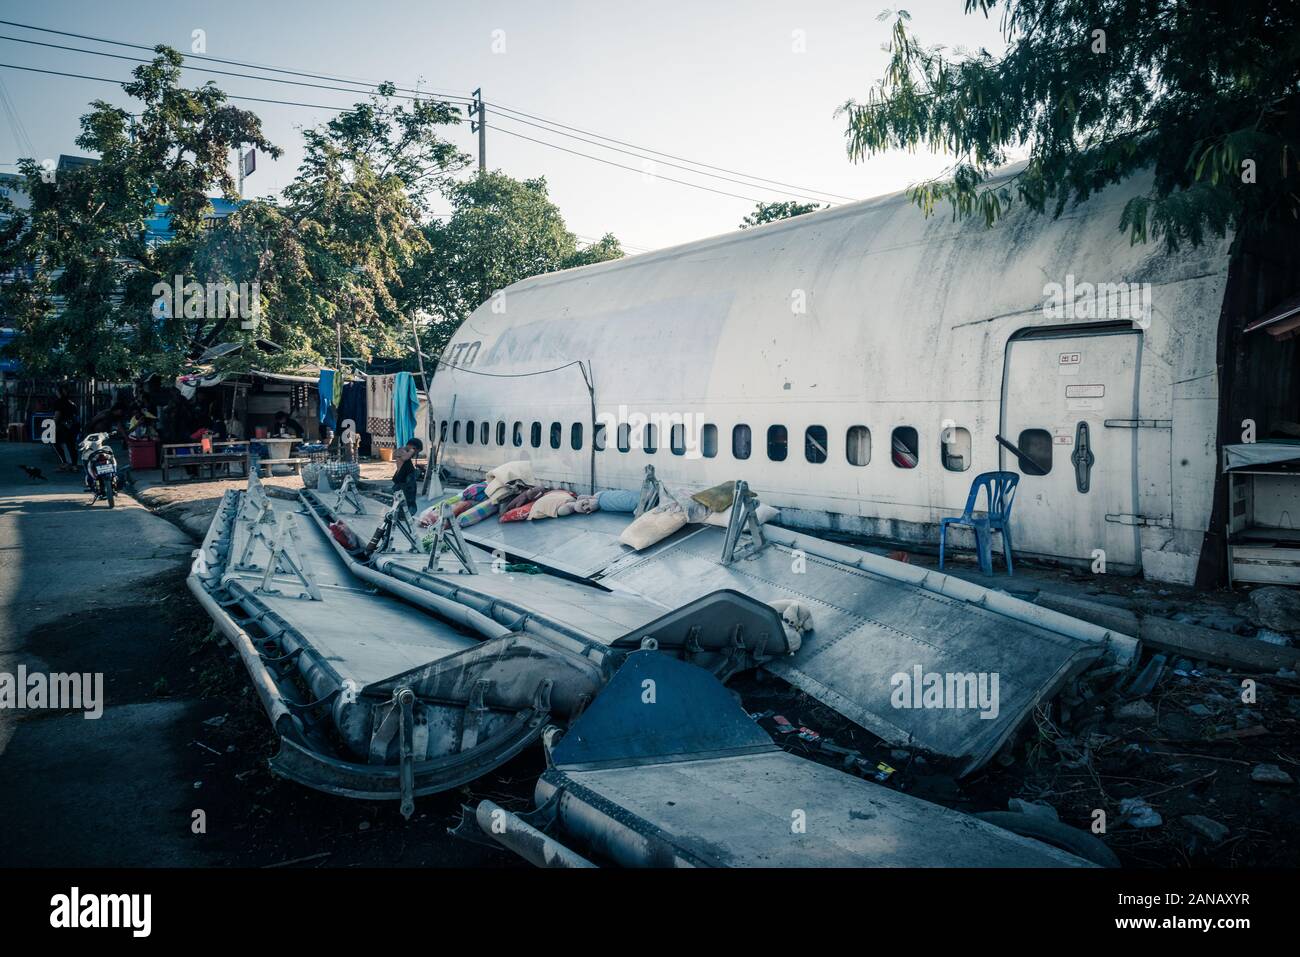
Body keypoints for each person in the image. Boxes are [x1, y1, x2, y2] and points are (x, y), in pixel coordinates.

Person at [52, 384, 79, 471]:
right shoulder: (72, 403)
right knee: (71, 445)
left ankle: (65, 463)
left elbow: (57, 415)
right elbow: (76, 416)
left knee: (55, 442)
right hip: (73, 426)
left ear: (59, 392)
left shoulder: (59, 402)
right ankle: (74, 465)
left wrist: (53, 426)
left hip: (63, 426)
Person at [391, 438, 423, 510]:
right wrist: (412, 451)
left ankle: (406, 510)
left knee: (407, 495)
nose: (415, 454)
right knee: (407, 496)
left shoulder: (405, 452)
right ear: (413, 447)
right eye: (416, 451)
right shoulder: (402, 450)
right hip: (405, 476)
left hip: (406, 476)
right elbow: (404, 458)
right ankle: (408, 511)